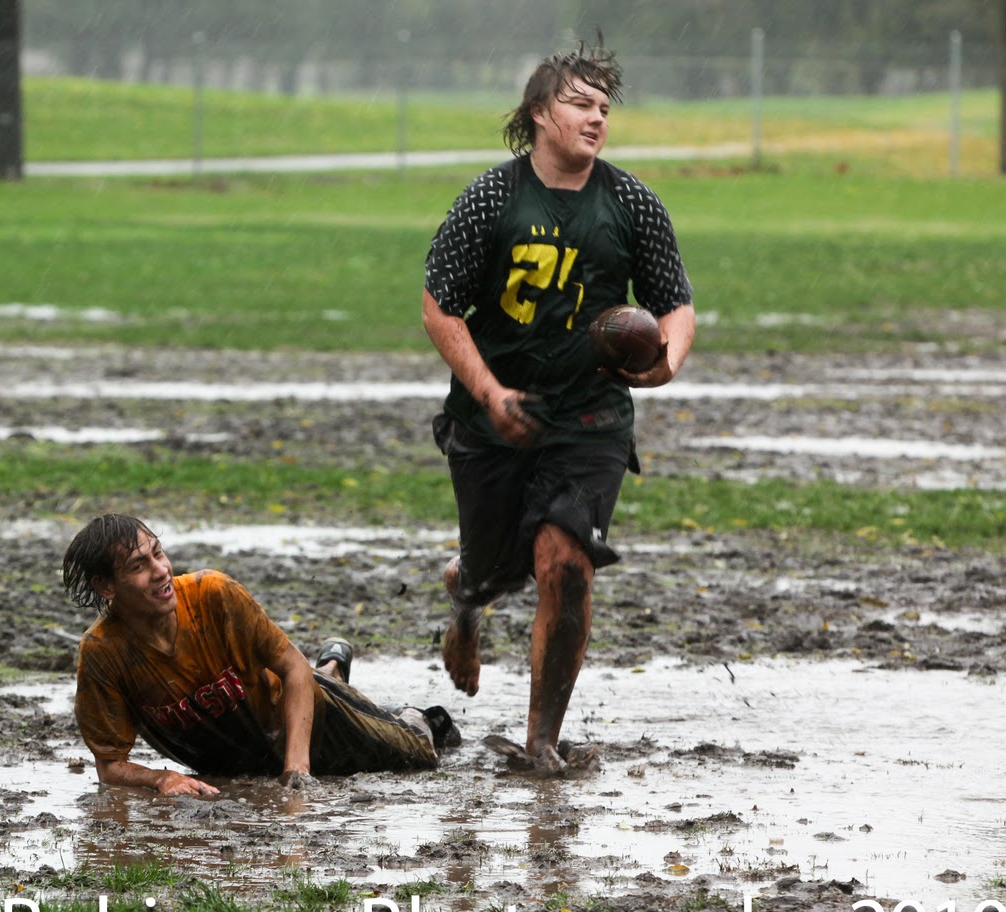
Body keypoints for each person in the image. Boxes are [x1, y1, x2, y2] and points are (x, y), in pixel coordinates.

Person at [421, 41, 696, 775]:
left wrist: (665, 359)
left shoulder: (632, 202)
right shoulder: (490, 198)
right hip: (492, 416)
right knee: (495, 572)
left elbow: (675, 305)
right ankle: (466, 597)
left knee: (566, 563)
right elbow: (439, 306)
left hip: (590, 419)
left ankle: (541, 738)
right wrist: (488, 391)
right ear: (540, 113)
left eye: (605, 106)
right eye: (581, 102)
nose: (597, 115)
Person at [62, 514, 459, 796]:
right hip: (242, 759)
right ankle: (333, 666)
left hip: (307, 719)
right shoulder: (103, 653)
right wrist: (161, 778)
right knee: (319, 684)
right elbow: (111, 766)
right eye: (138, 565)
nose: (161, 570)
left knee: (418, 755)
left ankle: (416, 716)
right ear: (106, 587)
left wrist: (296, 771)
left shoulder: (212, 594)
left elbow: (292, 669)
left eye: (158, 553)